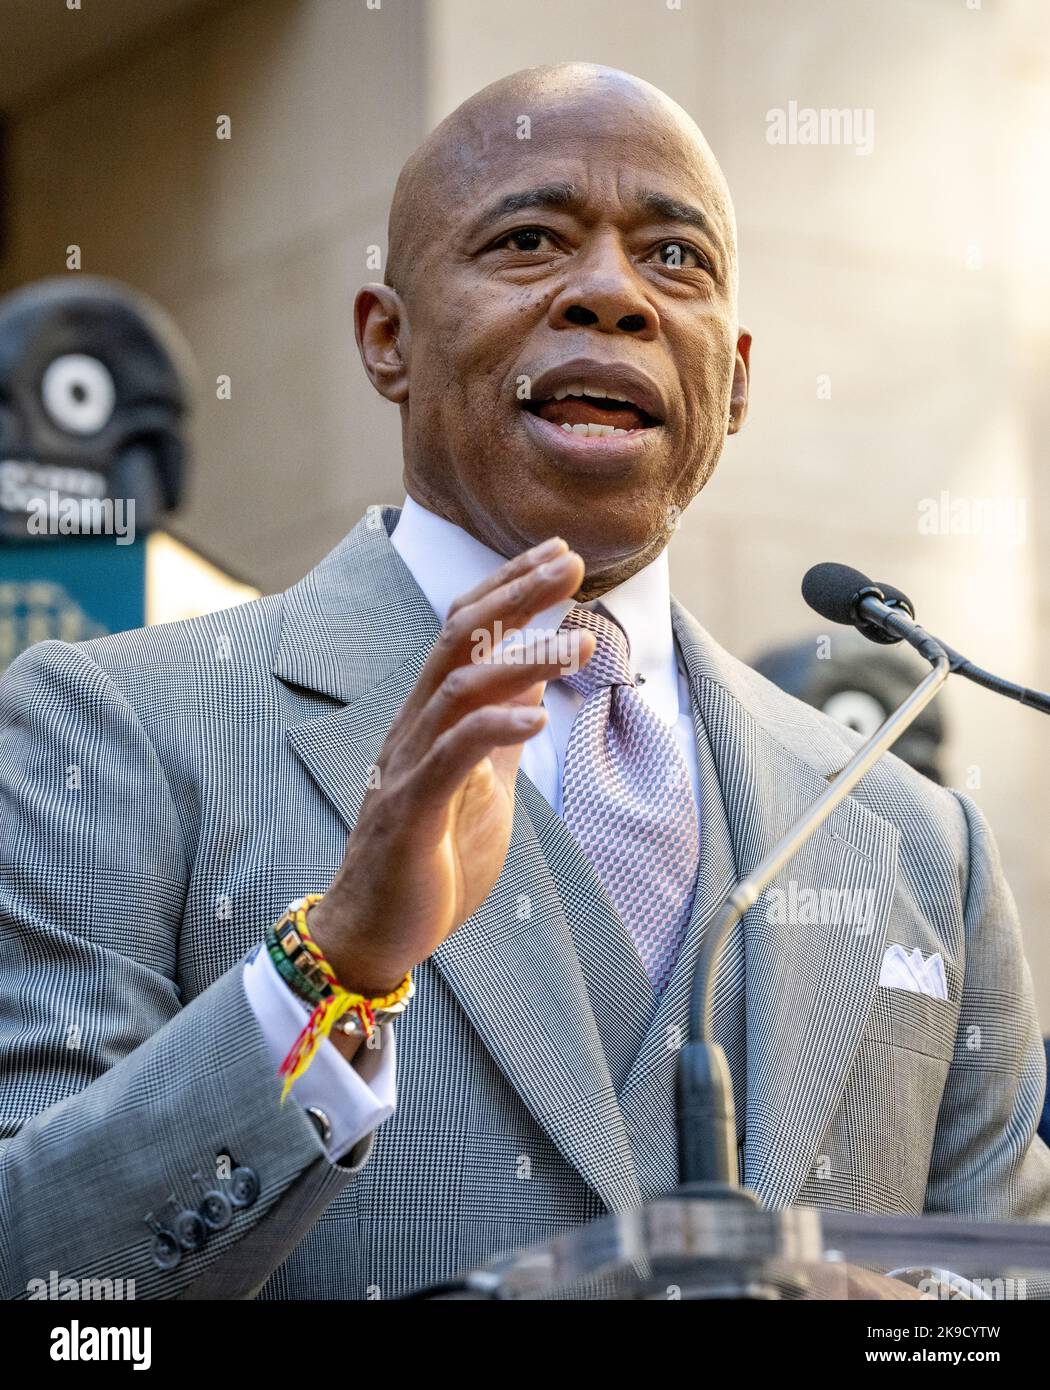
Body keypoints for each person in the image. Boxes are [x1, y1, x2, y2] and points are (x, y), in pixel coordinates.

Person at [2, 63, 1048, 1302]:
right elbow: (47, 1286)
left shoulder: (917, 833)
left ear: (742, 377)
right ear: (386, 338)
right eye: (532, 239)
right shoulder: (109, 724)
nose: (612, 293)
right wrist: (333, 965)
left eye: (675, 259)